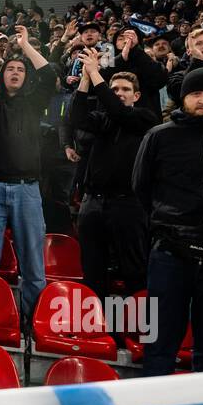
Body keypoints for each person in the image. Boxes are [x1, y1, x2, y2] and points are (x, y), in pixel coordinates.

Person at [132, 67, 203, 376]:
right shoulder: (160, 136)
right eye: (196, 94)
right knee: (160, 341)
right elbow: (141, 187)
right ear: (184, 98)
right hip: (171, 252)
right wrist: (167, 224)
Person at [0, 29, 57, 326]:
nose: (15, 72)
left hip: (26, 190)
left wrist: (26, 46)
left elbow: (48, 75)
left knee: (33, 263)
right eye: (10, 69)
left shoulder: (34, 104)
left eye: (20, 70)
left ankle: (32, 324)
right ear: (2, 76)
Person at [70, 50, 157, 300]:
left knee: (134, 269)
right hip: (93, 202)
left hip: (128, 204)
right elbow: (77, 118)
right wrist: (86, 79)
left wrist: (96, 72)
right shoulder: (102, 118)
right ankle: (97, 327)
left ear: (136, 95)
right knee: (92, 269)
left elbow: (120, 112)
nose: (119, 93)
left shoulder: (145, 117)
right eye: (115, 89)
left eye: (125, 89)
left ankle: (138, 330)